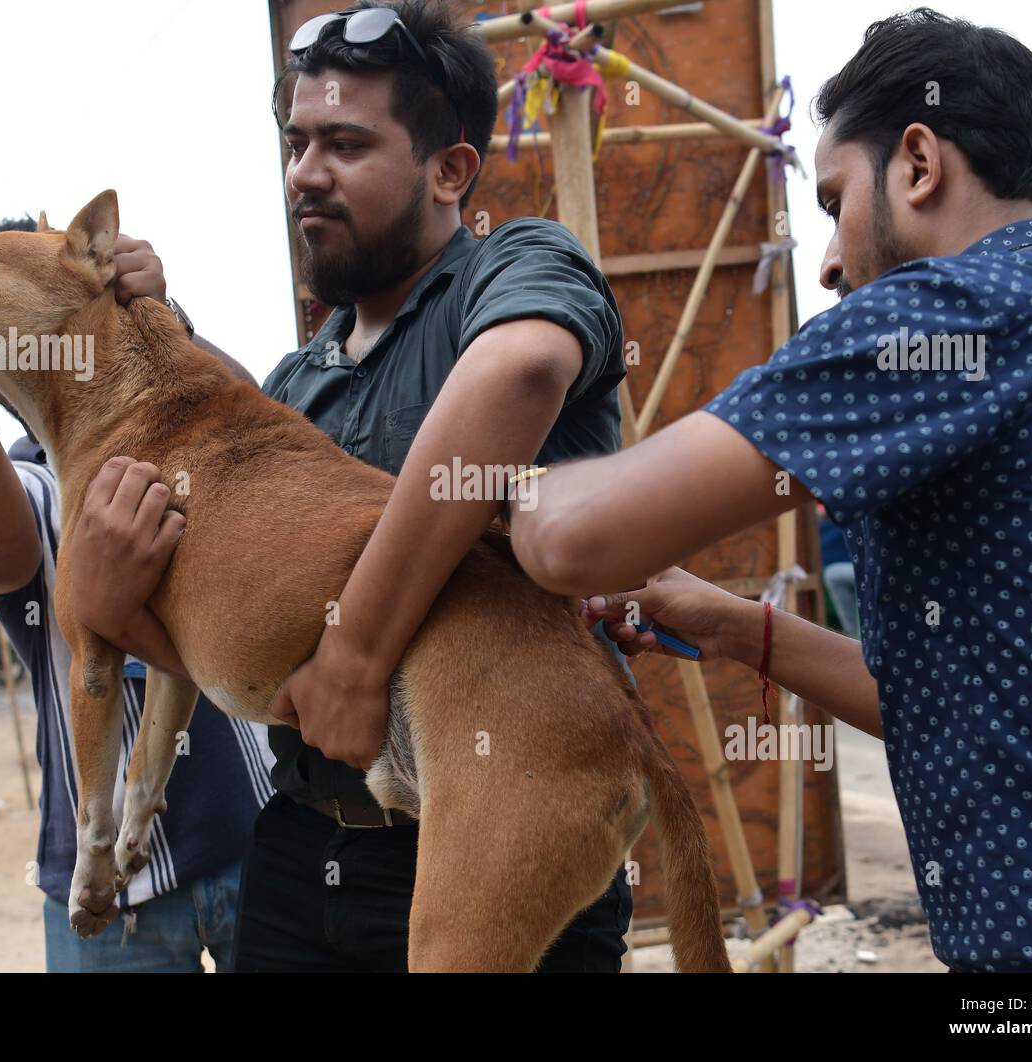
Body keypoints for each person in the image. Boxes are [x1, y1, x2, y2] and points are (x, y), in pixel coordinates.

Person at [507, 8, 1032, 973]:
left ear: (919, 164)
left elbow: (569, 540)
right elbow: (943, 702)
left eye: (835, 200)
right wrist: (714, 617)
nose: (832, 262)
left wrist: (469, 480)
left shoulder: (955, 315)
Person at [68, 0, 636, 972]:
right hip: (300, 839)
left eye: (344, 143)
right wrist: (117, 610)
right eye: (294, 143)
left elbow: (520, 376)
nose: (304, 174)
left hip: (489, 819)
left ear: (450, 170)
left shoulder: (513, 268)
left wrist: (358, 652)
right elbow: (250, 669)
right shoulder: (290, 388)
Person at [0, 216, 274, 972]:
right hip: (112, 911)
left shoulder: (192, 432)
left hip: (260, 843)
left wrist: (169, 316)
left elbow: (268, 438)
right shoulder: (20, 480)